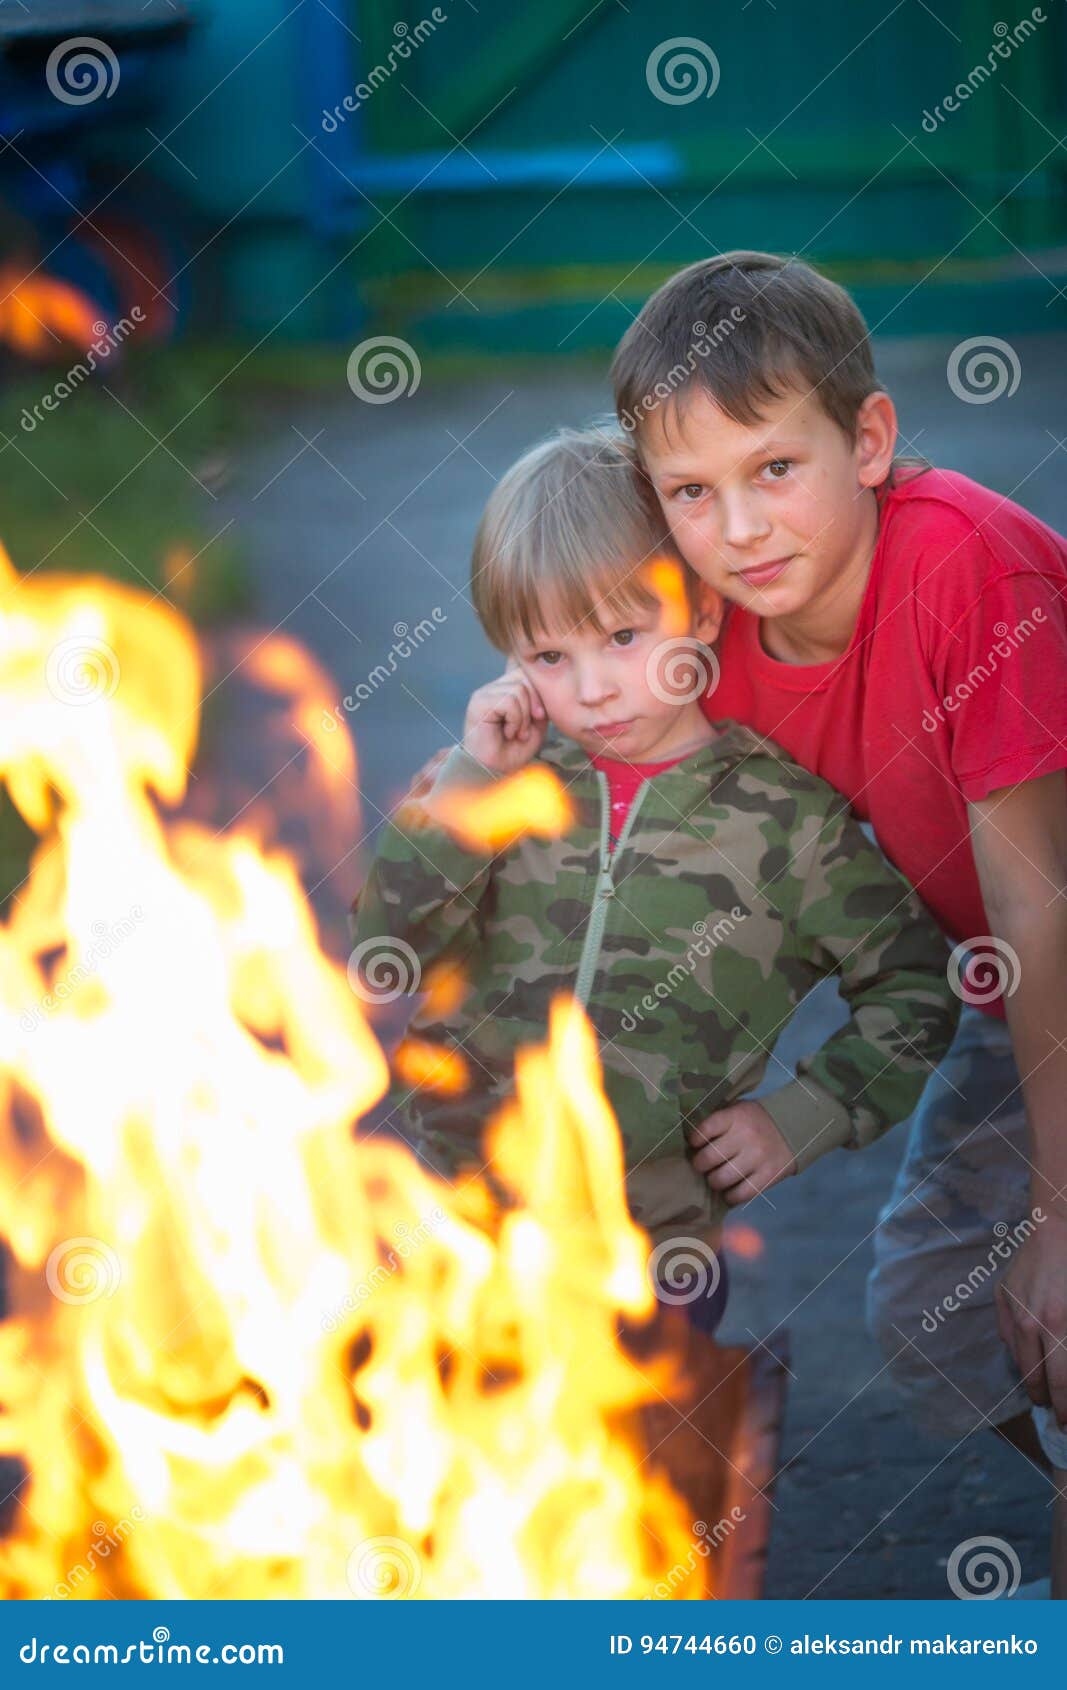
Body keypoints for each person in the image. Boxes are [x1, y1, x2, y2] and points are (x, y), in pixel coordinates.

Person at [611, 249, 1067, 1591]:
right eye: (690, 492)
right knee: (930, 1311)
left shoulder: (962, 568)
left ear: (867, 440)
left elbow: (1032, 902)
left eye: (772, 468)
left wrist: (1058, 1210)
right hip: (1008, 987)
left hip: (1041, 950)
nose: (739, 528)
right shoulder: (714, 640)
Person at [348, 427, 960, 1340]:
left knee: (656, 1437)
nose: (592, 689)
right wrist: (467, 789)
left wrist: (807, 1112)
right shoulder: (484, 787)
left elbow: (916, 985)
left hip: (652, 1259)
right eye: (548, 657)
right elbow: (383, 954)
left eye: (624, 638)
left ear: (703, 613)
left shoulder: (786, 822)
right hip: (455, 1241)